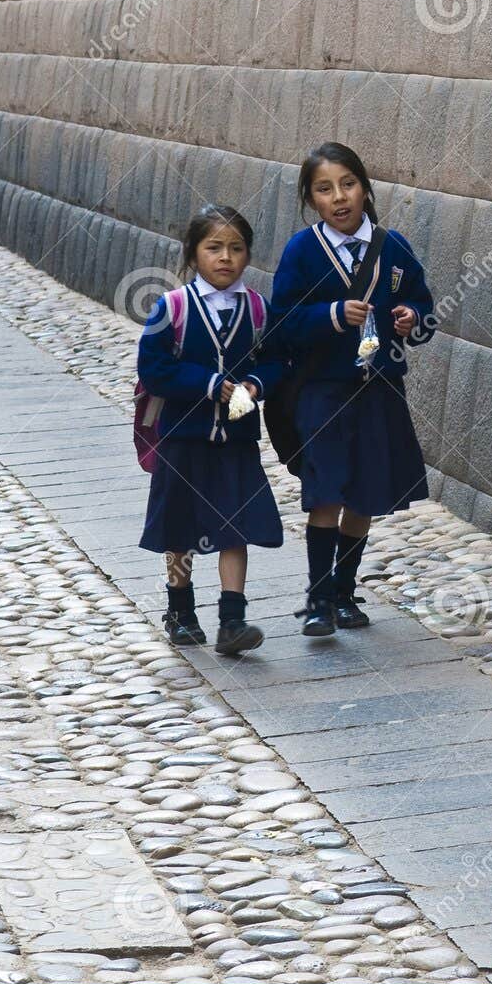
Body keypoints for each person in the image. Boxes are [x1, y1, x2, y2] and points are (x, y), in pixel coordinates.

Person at [267, 142, 435, 633]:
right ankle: (318, 600)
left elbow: (423, 307)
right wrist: (331, 315)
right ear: (311, 199)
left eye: (348, 184)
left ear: (364, 188)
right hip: (323, 390)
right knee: (326, 492)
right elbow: (281, 322)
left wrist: (412, 319)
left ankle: (345, 593)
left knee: (362, 495)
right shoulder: (302, 252)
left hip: (378, 388)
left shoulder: (394, 247)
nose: (339, 197)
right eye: (325, 189)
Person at [137, 204, 283, 654]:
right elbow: (154, 368)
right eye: (214, 247)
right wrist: (208, 384)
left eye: (236, 248)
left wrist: (256, 384)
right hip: (182, 438)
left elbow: (278, 360)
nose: (226, 258)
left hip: (235, 442)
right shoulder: (173, 307)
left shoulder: (258, 309)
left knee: (233, 525)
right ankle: (180, 609)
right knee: (179, 525)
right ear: (193, 254)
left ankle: (232, 621)